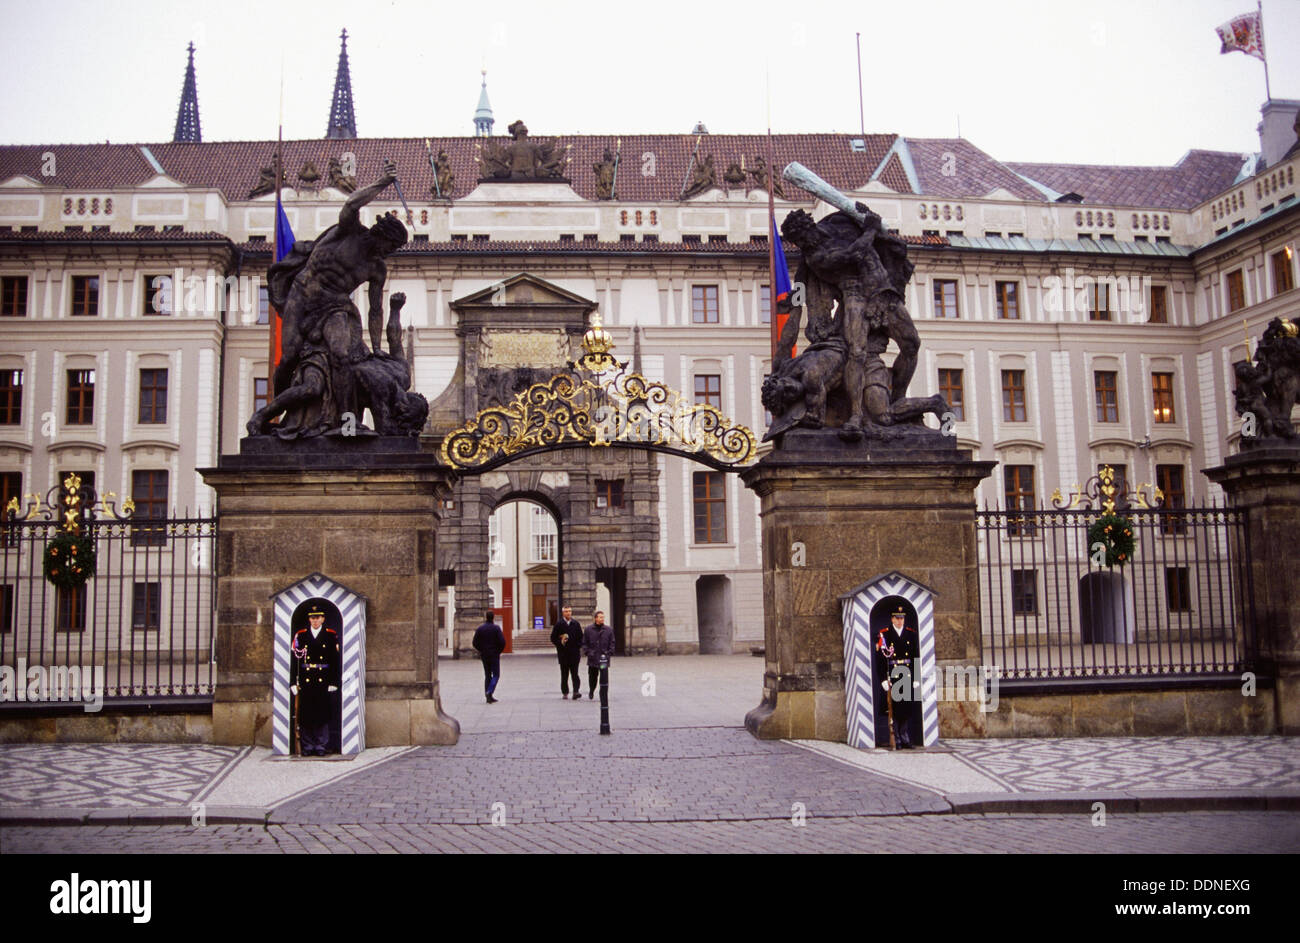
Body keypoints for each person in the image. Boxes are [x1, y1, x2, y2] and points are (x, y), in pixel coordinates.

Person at [289, 603, 340, 756]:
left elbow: (335, 660)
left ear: (323, 619)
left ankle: (320, 745)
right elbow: (295, 661)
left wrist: (334, 682)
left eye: (317, 618)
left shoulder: (330, 635)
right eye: (312, 618)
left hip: (323, 680)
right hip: (306, 680)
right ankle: (307, 745)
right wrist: (293, 682)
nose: (315, 621)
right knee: (306, 714)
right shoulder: (301, 635)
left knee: (322, 714)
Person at [874, 605, 919, 749]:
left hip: (906, 673)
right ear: (892, 619)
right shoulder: (884, 635)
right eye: (897, 618)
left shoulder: (911, 634)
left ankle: (905, 737)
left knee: (906, 707)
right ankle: (897, 738)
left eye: (902, 618)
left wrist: (916, 677)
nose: (900, 621)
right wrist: (882, 679)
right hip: (892, 675)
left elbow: (915, 657)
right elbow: (880, 659)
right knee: (894, 708)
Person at [550, 605, 584, 699]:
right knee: (564, 675)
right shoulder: (559, 624)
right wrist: (560, 643)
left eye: (569, 611)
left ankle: (576, 691)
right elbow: (553, 638)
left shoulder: (576, 623)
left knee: (575, 674)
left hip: (574, 653)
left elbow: (581, 637)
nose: (568, 613)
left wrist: (578, 646)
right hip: (563, 654)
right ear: (563, 613)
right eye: (566, 611)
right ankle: (565, 692)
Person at [473, 610, 506, 704]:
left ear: (486, 617)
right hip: (494, 655)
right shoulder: (496, 628)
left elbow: (475, 642)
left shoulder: (480, 628)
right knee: (496, 675)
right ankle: (489, 692)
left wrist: (481, 650)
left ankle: (488, 697)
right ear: (493, 617)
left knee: (487, 675)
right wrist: (498, 651)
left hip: (484, 655)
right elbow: (502, 642)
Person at [582, 610, 615, 699]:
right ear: (595, 618)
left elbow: (612, 643)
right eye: (600, 617)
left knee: (604, 678)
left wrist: (609, 653)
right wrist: (588, 652)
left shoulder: (608, 629)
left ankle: (603, 695)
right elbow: (584, 643)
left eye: (603, 617)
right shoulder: (588, 629)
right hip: (593, 658)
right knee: (592, 677)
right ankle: (591, 690)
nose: (602, 619)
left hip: (604, 658)